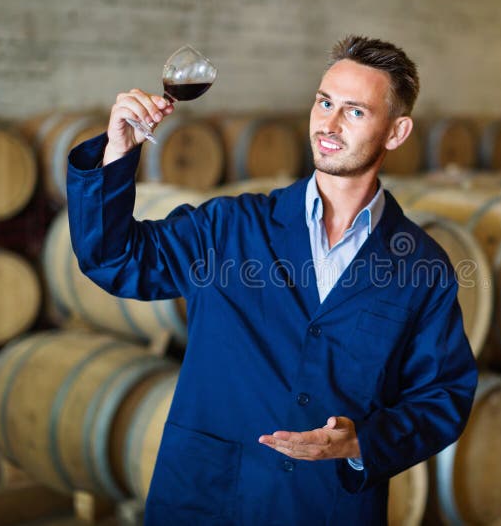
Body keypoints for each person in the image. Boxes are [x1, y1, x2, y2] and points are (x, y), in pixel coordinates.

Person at [67, 35, 477, 525]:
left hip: (325, 507)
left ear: (396, 131)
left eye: (355, 112)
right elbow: (113, 258)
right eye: (324, 102)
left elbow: (443, 395)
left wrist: (362, 441)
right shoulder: (229, 227)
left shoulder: (420, 267)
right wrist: (117, 154)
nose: (328, 123)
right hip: (206, 499)